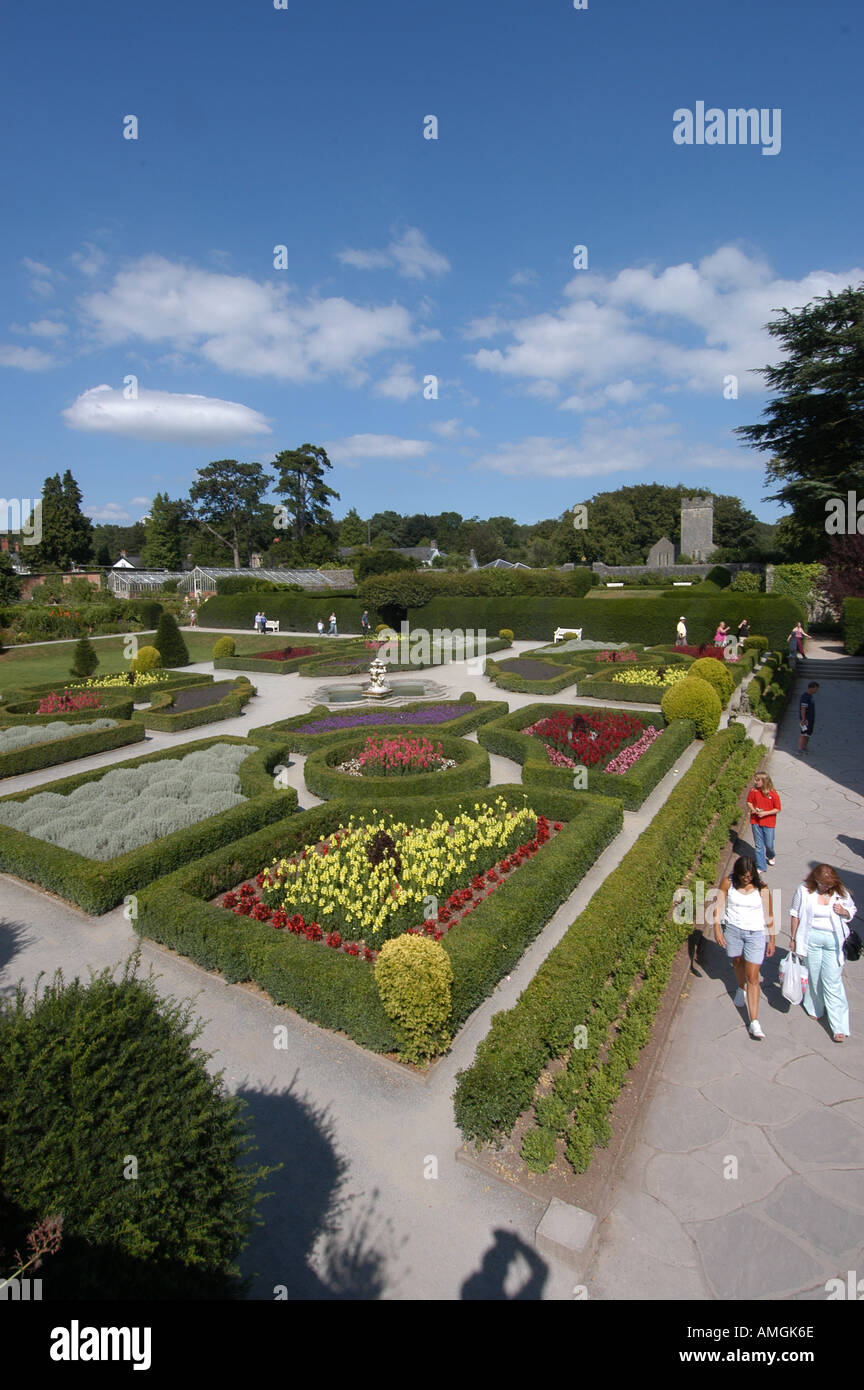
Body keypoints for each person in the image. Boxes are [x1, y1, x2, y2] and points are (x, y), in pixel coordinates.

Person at [790, 865, 856, 1042]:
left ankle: (839, 1026)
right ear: (815, 880)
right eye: (822, 884)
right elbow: (795, 914)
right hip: (811, 939)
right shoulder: (803, 891)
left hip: (833, 941)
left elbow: (852, 910)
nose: (826, 887)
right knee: (814, 975)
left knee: (832, 981)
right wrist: (794, 938)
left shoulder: (840, 893)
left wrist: (844, 912)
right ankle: (815, 1008)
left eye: (829, 884)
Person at [714, 857, 775, 1039]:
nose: (746, 879)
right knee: (737, 961)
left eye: (749, 876)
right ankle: (740, 988)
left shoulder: (762, 889)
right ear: (737, 873)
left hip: (755, 934)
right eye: (743, 876)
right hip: (733, 930)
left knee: (753, 977)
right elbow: (718, 905)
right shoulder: (728, 882)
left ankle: (754, 1021)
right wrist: (717, 929)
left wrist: (771, 939)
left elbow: (769, 914)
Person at [746, 772, 782, 872]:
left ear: (764, 781)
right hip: (755, 821)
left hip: (769, 822)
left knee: (769, 844)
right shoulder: (753, 791)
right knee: (758, 846)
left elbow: (778, 808)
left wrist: (765, 813)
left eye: (757, 780)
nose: (755, 782)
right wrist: (753, 809)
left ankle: (771, 855)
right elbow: (749, 802)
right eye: (755, 779)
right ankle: (761, 866)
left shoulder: (773, 794)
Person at [798, 681, 819, 754]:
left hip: (811, 719)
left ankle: (804, 747)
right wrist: (803, 719)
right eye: (816, 689)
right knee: (803, 733)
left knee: (808, 734)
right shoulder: (805, 697)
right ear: (811, 688)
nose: (816, 691)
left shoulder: (810, 696)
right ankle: (800, 749)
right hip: (806, 719)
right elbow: (803, 708)